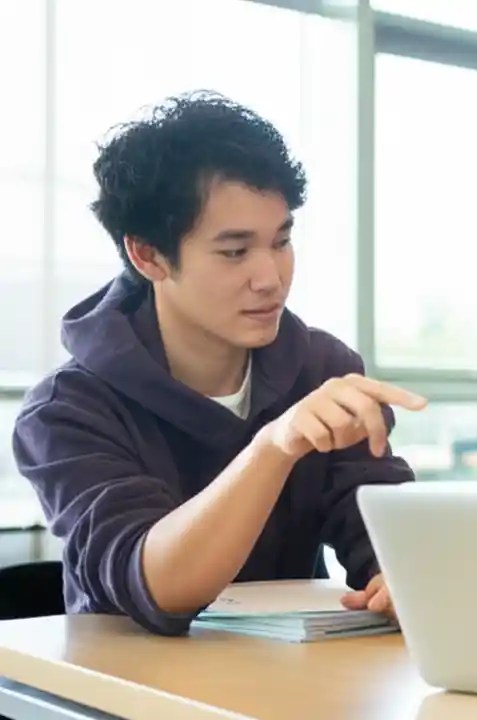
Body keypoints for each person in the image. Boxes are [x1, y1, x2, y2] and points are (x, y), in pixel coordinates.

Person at [11, 92, 426, 636]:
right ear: (148, 256)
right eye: (235, 252)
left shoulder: (323, 368)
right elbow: (161, 586)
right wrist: (274, 448)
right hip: (125, 693)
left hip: (290, 685)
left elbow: (377, 526)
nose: (270, 277)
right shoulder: (66, 410)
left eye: (281, 241)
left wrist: (400, 573)